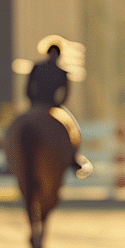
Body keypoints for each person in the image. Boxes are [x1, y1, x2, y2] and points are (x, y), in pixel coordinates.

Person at [26, 42, 93, 179]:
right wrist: (57, 105)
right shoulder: (62, 72)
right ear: (60, 55)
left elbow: (27, 90)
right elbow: (65, 95)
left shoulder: (36, 68)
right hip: (53, 106)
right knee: (73, 130)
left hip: (36, 106)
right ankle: (73, 159)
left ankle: (9, 160)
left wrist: (34, 103)